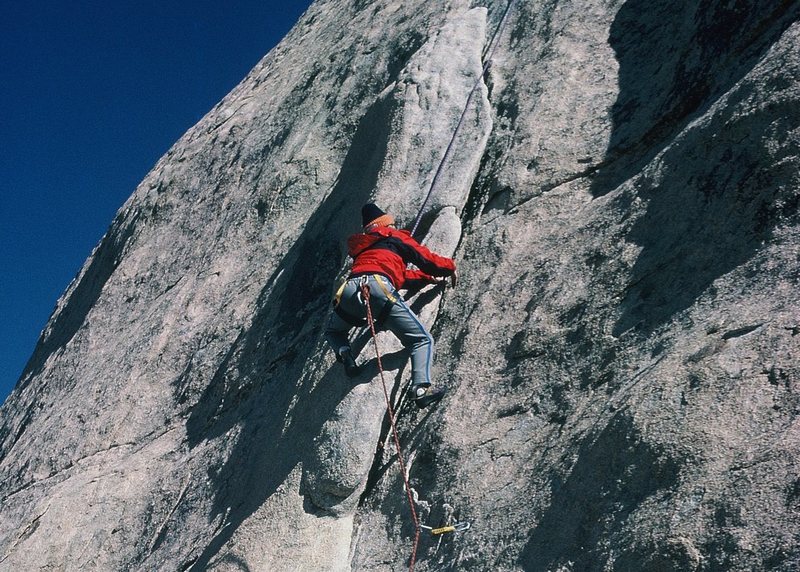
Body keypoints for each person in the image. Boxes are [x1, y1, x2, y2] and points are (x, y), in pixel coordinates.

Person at [325, 203, 457, 408]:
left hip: (349, 290)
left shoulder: (365, 247)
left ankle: (344, 352)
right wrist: (449, 267)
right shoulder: (392, 235)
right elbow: (426, 259)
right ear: (386, 224)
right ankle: (421, 389)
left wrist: (427, 279)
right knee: (421, 340)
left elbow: (400, 276)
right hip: (377, 287)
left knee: (333, 331)